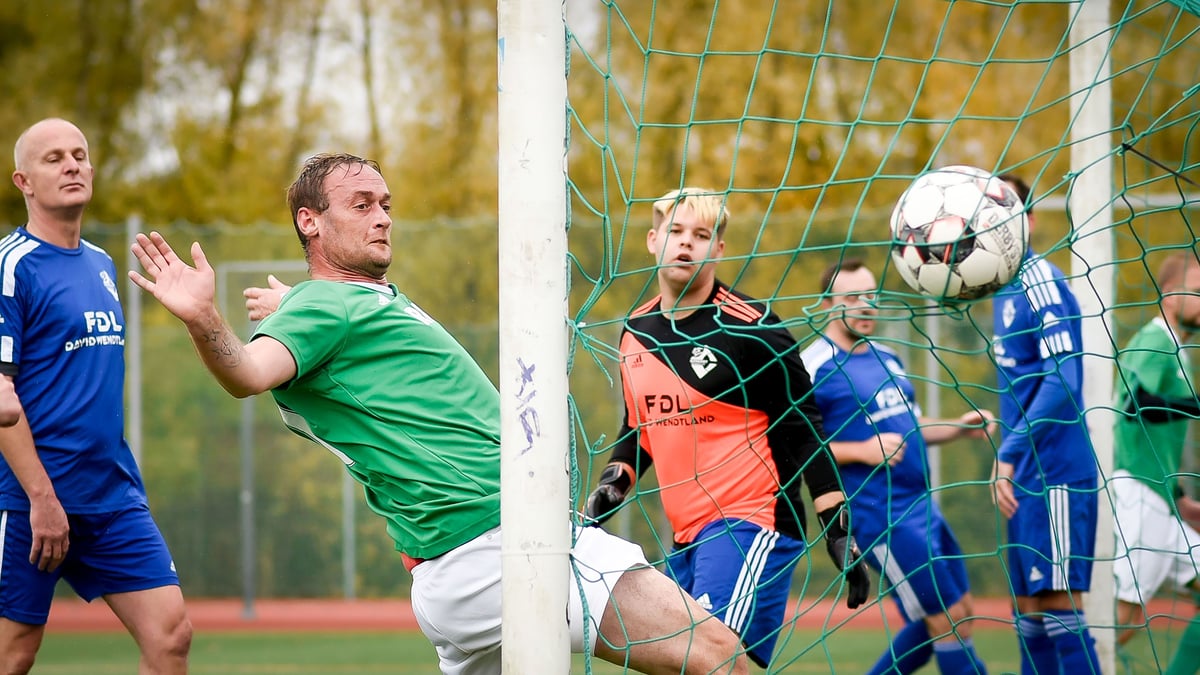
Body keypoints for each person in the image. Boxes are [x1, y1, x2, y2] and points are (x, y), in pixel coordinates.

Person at [130, 153, 750, 675]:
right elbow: (246, 371)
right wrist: (203, 315)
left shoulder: (345, 303)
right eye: (361, 204)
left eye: (385, 203)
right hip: (497, 545)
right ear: (309, 222)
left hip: (463, 564)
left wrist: (295, 300)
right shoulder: (325, 307)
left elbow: (350, 337)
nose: (381, 217)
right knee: (716, 652)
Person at [582, 187, 871, 668]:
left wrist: (838, 531)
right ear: (654, 241)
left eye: (700, 235)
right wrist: (605, 495)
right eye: (676, 232)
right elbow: (640, 429)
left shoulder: (753, 327)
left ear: (717, 248)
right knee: (720, 664)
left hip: (751, 524)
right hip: (686, 536)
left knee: (699, 653)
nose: (686, 243)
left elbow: (804, 430)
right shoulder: (635, 331)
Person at [0, 118, 191, 674]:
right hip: (30, 499)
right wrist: (42, 499)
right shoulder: (11, 266)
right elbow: (1, 396)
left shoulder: (104, 265)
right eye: (54, 157)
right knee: (14, 655)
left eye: (80, 154)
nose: (72, 165)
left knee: (171, 636)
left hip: (111, 495)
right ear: (24, 181)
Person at [800, 259, 992, 675]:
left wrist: (958, 429)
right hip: (878, 514)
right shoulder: (813, 365)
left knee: (960, 611)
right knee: (943, 619)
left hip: (922, 504)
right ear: (826, 304)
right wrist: (861, 450)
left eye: (871, 295)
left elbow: (912, 427)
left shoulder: (889, 358)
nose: (866, 305)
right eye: (852, 297)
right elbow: (794, 447)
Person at [990, 173, 1101, 674]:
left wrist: (1008, 453)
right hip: (1025, 476)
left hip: (1052, 469)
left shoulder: (1040, 281)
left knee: (1059, 607)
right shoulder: (1000, 286)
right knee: (1028, 613)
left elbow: (1063, 381)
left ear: (1029, 222)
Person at [1111, 249, 1200, 675]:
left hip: (1162, 496)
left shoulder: (1179, 348)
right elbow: (1137, 405)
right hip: (1139, 494)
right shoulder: (1153, 340)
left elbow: (1162, 431)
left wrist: (1180, 495)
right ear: (1169, 294)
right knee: (1123, 618)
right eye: (1199, 291)